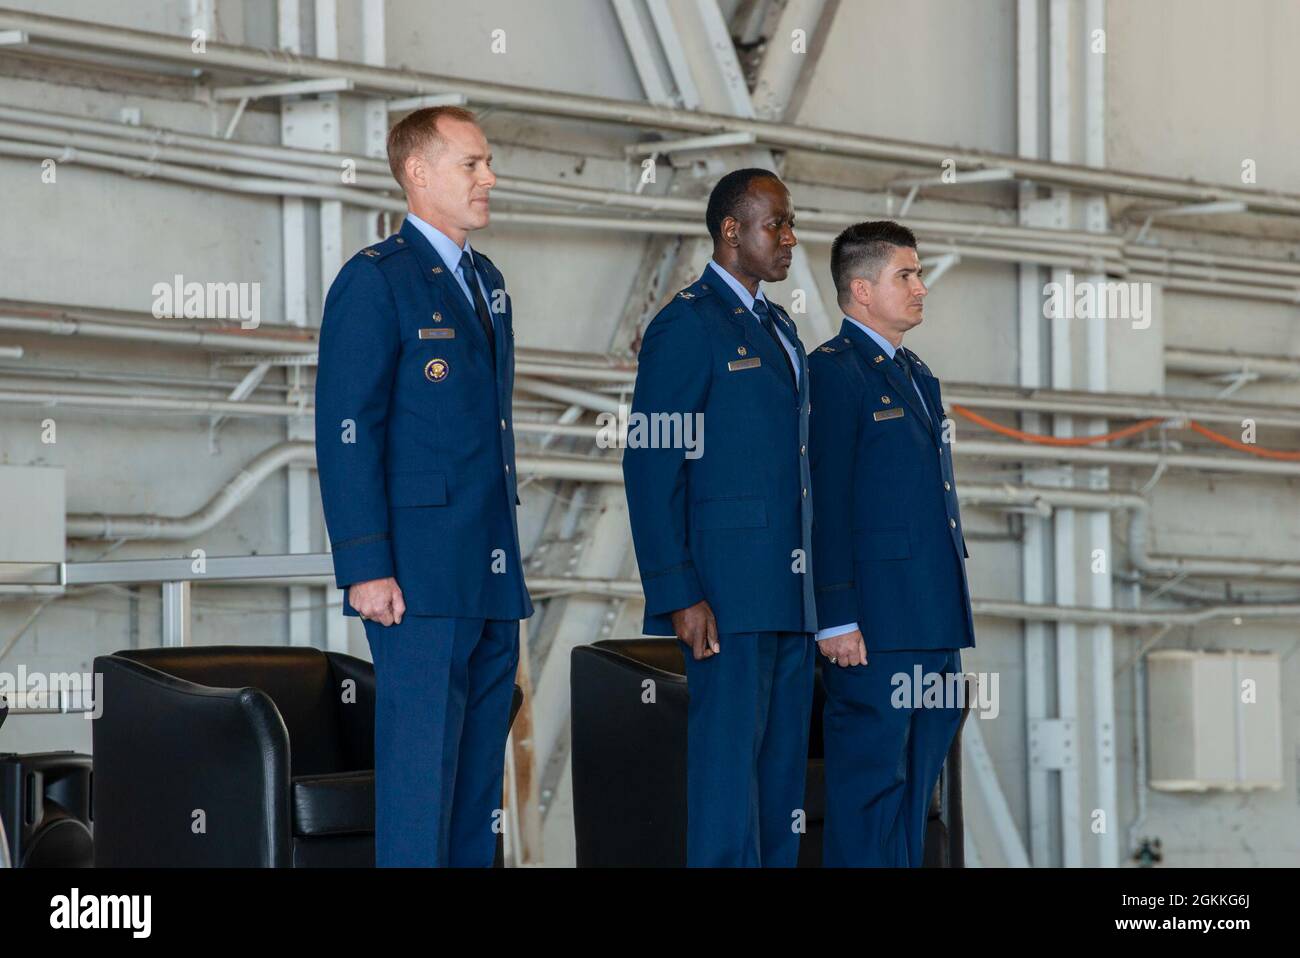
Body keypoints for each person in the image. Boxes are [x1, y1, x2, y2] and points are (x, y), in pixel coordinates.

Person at [314, 106, 531, 867]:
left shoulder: (488, 282)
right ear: (418, 172)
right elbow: (347, 428)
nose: (488, 178)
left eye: (487, 162)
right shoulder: (377, 282)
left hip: (490, 572)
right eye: (471, 164)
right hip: (416, 575)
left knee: (477, 793)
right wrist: (365, 563)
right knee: (418, 784)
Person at [623, 168, 816, 867]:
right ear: (731, 231)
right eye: (775, 224)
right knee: (726, 783)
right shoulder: (687, 325)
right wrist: (678, 591)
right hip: (725, 599)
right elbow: (649, 469)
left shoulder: (779, 327)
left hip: (790, 596)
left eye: (790, 223)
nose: (789, 238)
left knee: (779, 786)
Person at [808, 220, 975, 867]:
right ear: (860, 289)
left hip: (930, 621)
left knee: (916, 796)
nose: (921, 287)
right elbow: (823, 502)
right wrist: (835, 616)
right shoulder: (832, 374)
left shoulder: (916, 374)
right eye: (905, 275)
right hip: (873, 629)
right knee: (870, 791)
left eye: (918, 272)